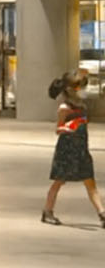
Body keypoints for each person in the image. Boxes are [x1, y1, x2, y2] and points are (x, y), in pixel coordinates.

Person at [43, 70, 103, 227]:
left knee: (90, 183)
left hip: (82, 148)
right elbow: (58, 129)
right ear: (70, 89)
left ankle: (102, 213)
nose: (82, 90)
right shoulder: (64, 108)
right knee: (59, 182)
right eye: (79, 87)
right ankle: (48, 211)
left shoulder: (81, 105)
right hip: (67, 149)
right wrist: (67, 128)